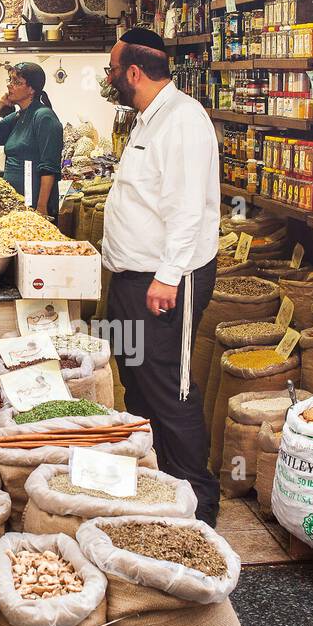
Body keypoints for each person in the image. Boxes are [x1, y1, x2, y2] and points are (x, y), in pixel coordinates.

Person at [101, 27, 221, 526]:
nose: (108, 77)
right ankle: (160, 487)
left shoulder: (184, 121)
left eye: (112, 69)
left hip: (165, 283)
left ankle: (198, 505)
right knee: (137, 383)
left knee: (170, 388)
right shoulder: (147, 119)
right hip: (132, 280)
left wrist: (168, 278)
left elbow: (188, 210)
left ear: (133, 72)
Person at [0, 62, 63, 217]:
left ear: (32, 89)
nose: (10, 86)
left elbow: (49, 168)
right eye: (10, 81)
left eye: (17, 82)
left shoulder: (43, 117)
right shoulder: (19, 116)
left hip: (33, 202)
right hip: (14, 201)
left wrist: (41, 208)